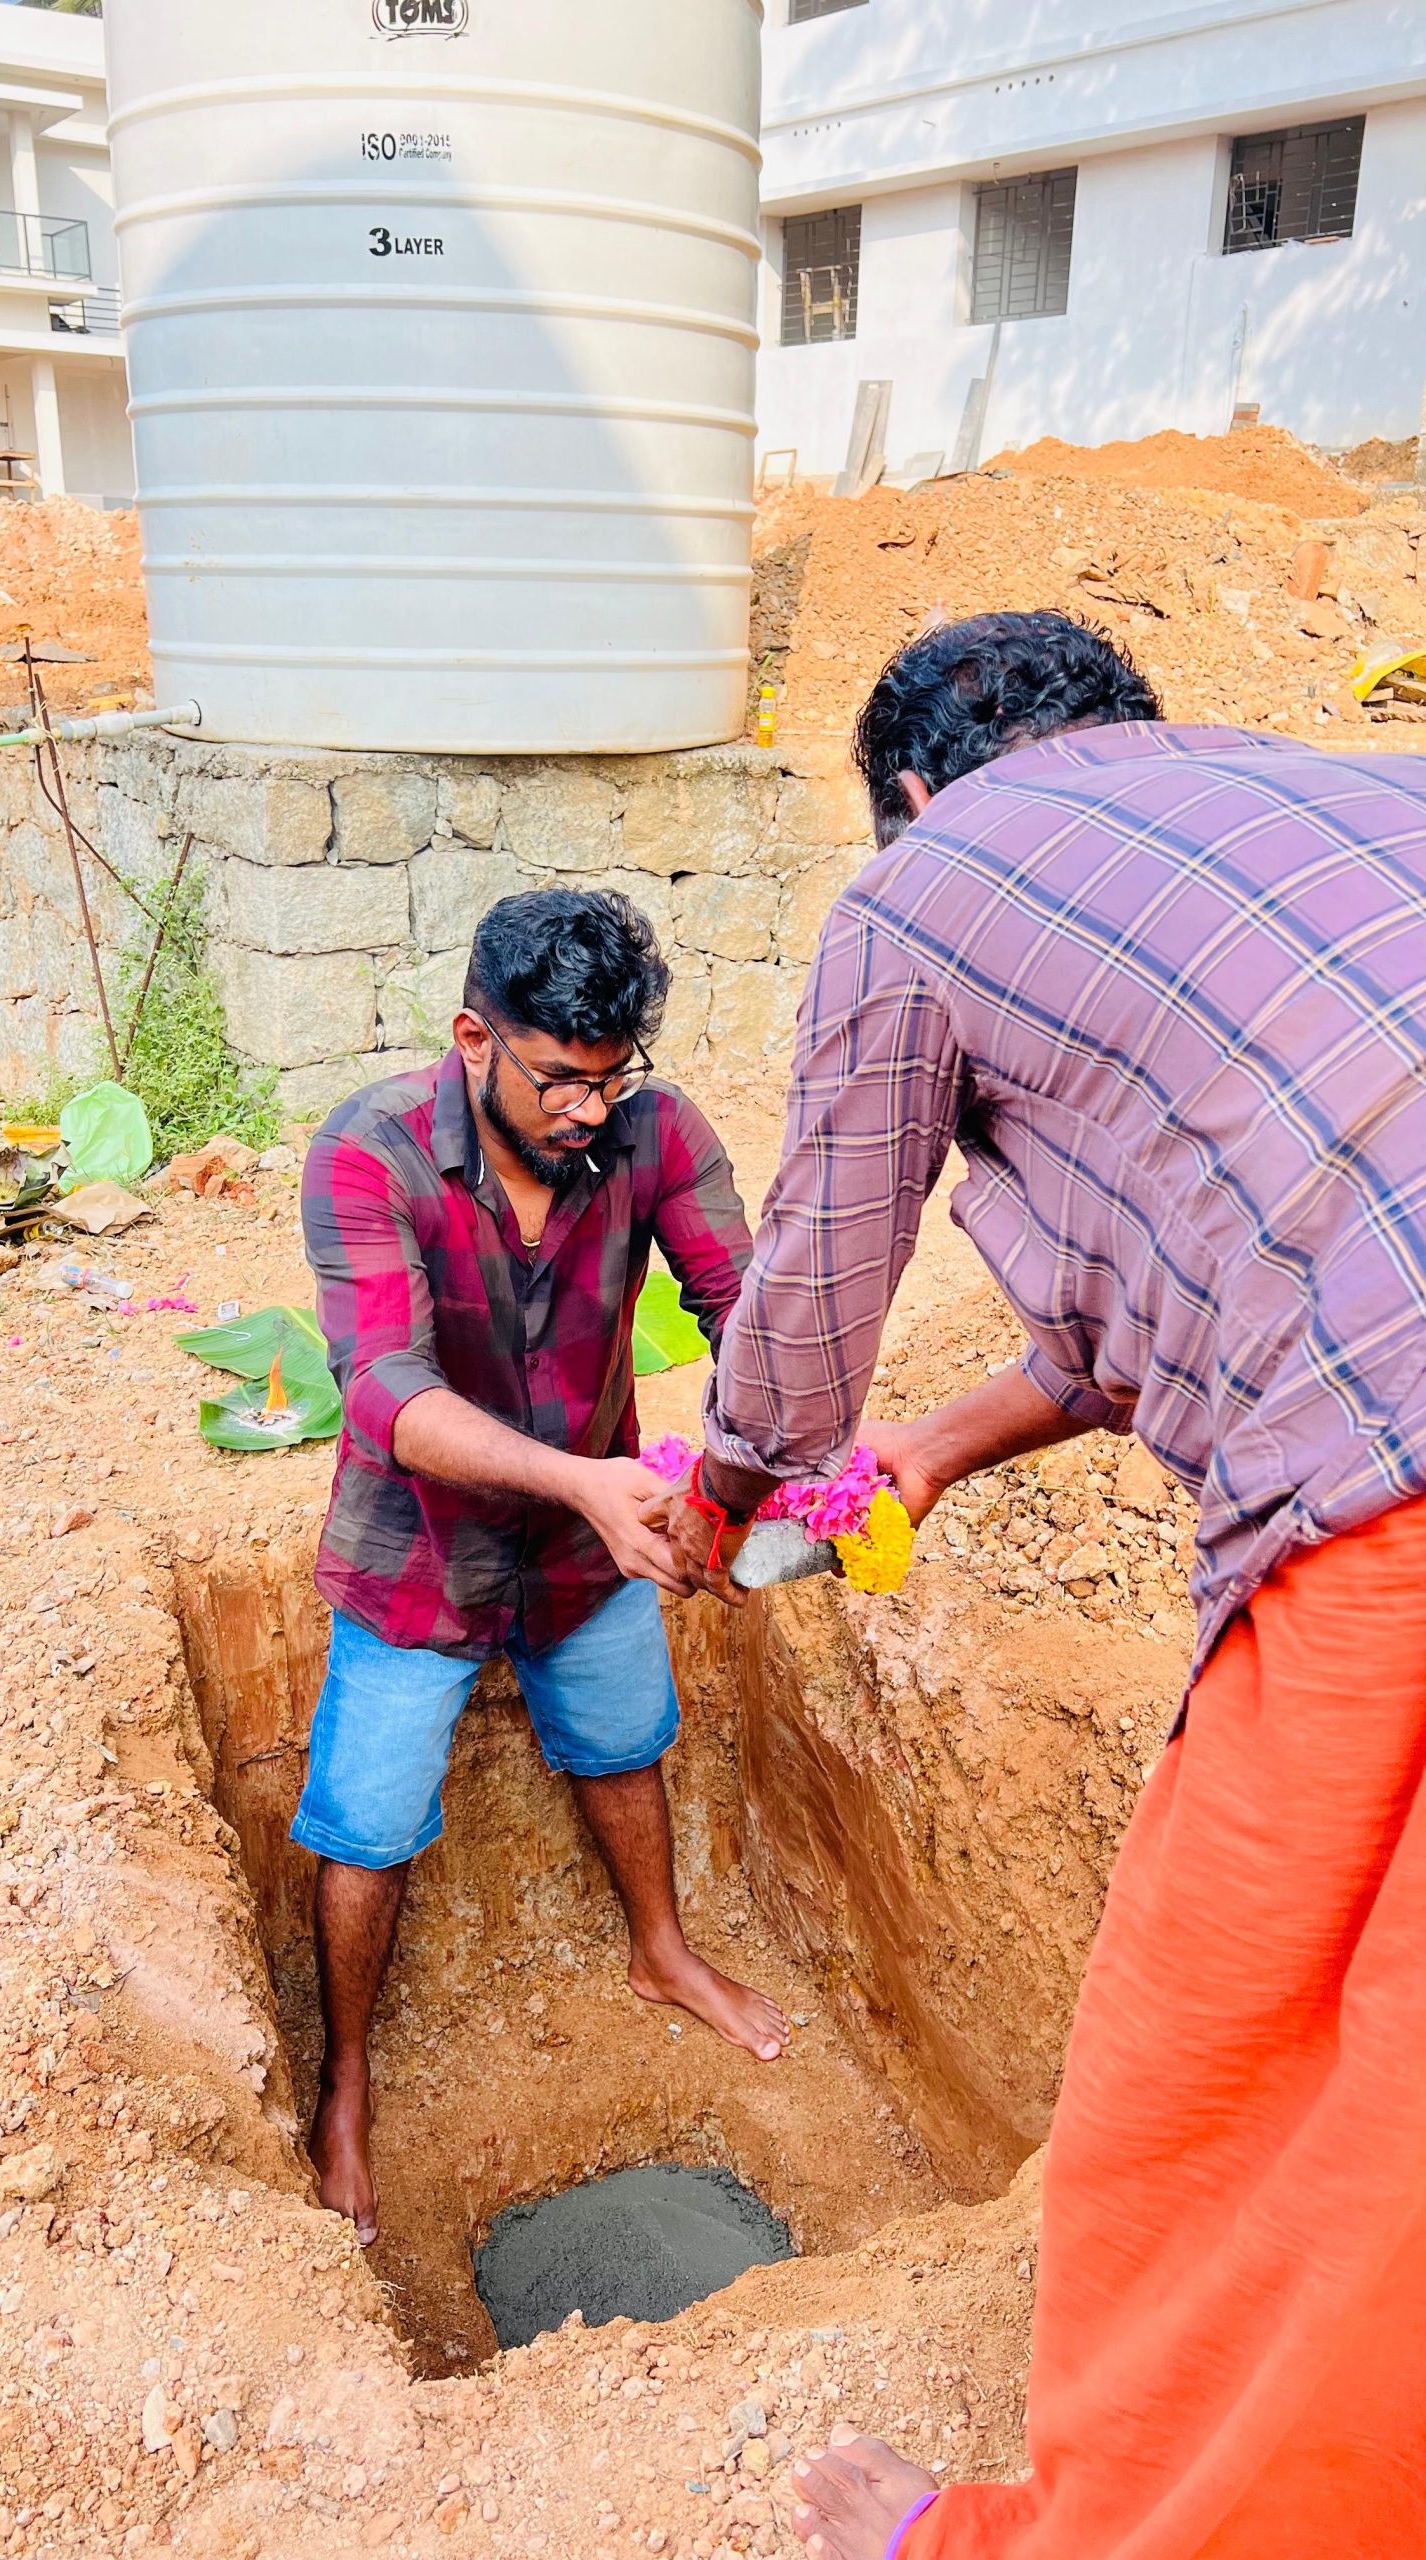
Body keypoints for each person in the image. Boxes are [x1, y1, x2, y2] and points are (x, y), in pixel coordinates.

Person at [655, 613, 1426, 2560]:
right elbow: (1198, 1252)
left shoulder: (930, 884)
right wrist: (924, 1449)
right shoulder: (1343, 799)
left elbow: (812, 1290)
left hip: (1388, 1506)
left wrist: (724, 1488)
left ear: (910, 790)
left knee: (1222, 2093)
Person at [295, 886, 789, 2246]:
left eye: (613, 1076)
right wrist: (584, 1480)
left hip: (591, 1542)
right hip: (419, 1557)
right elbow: (384, 1389)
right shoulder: (370, 1151)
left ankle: (661, 1951)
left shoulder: (655, 1130)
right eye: (563, 1080)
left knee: (627, 1738)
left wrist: (737, 1482)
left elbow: (742, 1300)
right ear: (472, 1037)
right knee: (367, 1826)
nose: (591, 1109)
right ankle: (345, 2079)